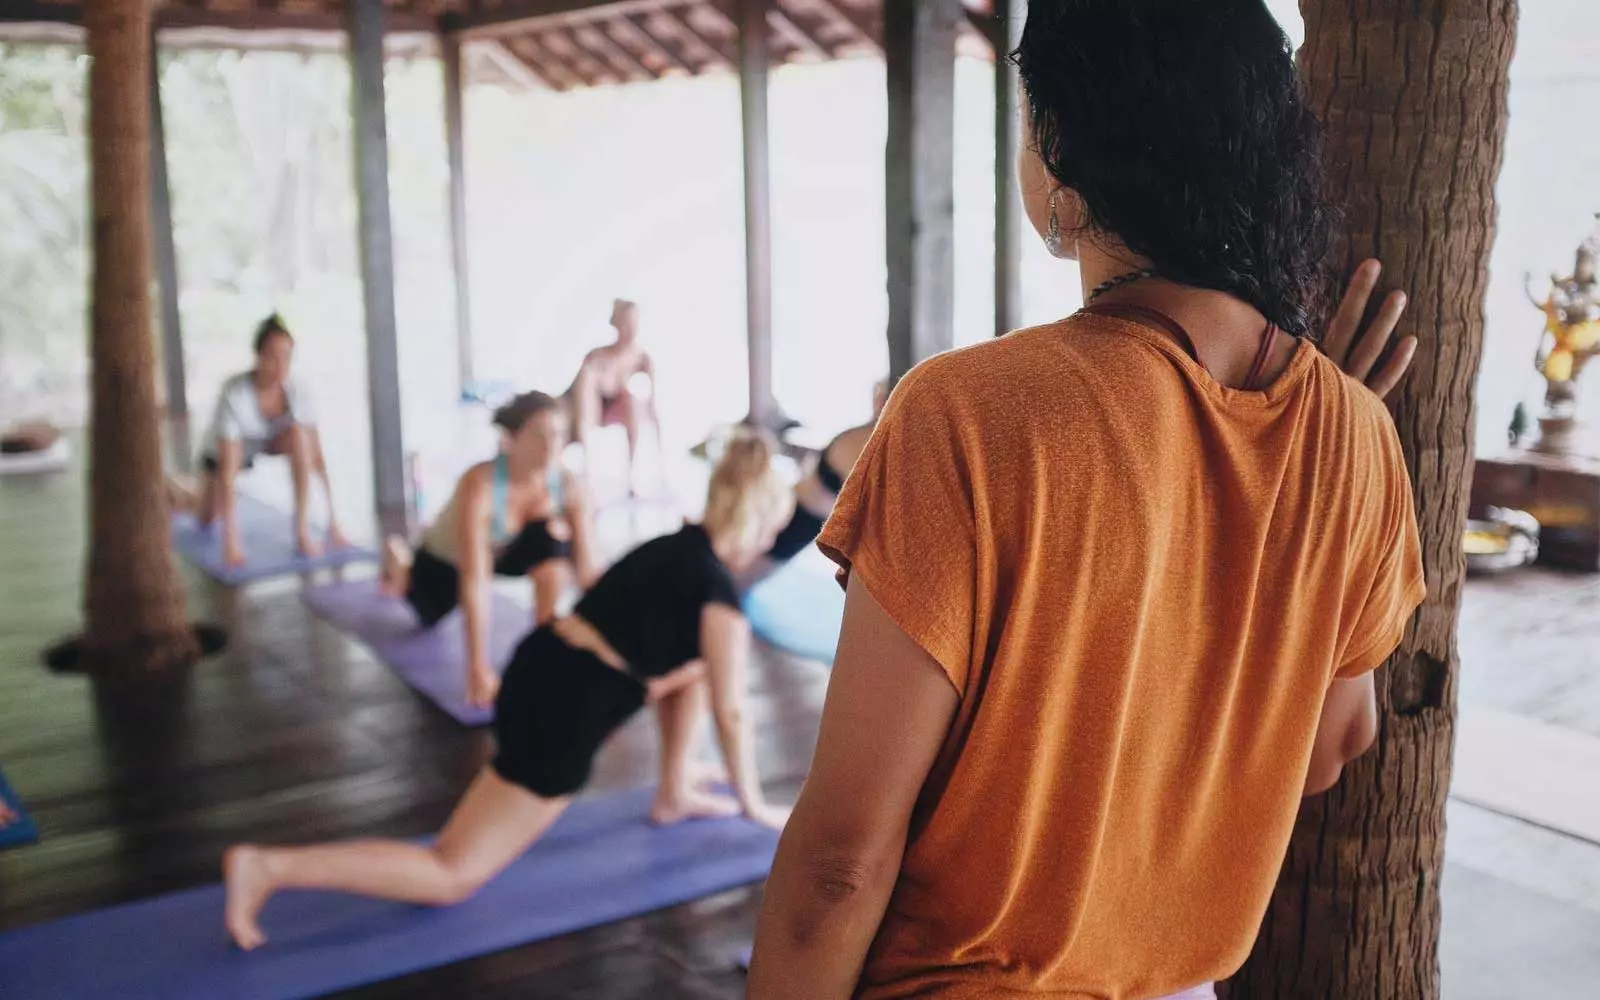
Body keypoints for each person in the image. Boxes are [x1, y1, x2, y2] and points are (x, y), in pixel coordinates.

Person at [749, 4, 1424, 999]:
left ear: (1063, 153)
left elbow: (842, 858)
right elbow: (1331, 747)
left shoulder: (966, 413)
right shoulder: (1358, 435)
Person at [222, 432, 796, 952]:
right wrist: (753, 802)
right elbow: (734, 712)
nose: (771, 540)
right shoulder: (719, 601)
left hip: (539, 664)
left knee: (692, 667)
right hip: (566, 712)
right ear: (756, 520)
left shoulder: (672, 547)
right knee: (452, 873)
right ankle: (268, 869)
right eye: (774, 528)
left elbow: (675, 669)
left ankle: (673, 792)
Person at [379, 391, 597, 709]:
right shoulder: (480, 483)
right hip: (444, 563)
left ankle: (542, 655)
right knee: (423, 608)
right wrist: (478, 668)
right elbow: (475, 579)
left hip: (506, 552)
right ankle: (398, 555)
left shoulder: (568, 485)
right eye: (538, 435)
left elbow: (590, 574)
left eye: (558, 434)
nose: (551, 445)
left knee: (553, 546)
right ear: (511, 438)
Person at [170, 315, 347, 568]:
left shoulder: (297, 390)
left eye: (286, 357)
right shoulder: (235, 393)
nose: (280, 365)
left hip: (268, 443)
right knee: (206, 518)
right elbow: (229, 472)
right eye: (272, 357)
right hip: (222, 456)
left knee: (299, 436)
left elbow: (317, 458)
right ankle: (178, 489)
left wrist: (334, 524)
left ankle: (301, 531)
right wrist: (231, 543)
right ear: (258, 357)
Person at [752, 380, 888, 586]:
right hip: (792, 512)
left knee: (746, 574)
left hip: (802, 517)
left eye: (880, 395)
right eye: (876, 393)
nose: (876, 400)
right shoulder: (863, 439)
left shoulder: (868, 440)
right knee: (742, 573)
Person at [566, 299, 660, 489]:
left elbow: (653, 408)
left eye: (634, 323)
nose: (630, 329)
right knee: (588, 382)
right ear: (616, 324)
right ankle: (586, 470)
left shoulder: (643, 359)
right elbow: (578, 398)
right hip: (582, 411)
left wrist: (662, 465)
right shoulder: (596, 358)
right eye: (625, 323)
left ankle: (632, 476)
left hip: (614, 412)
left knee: (632, 399)